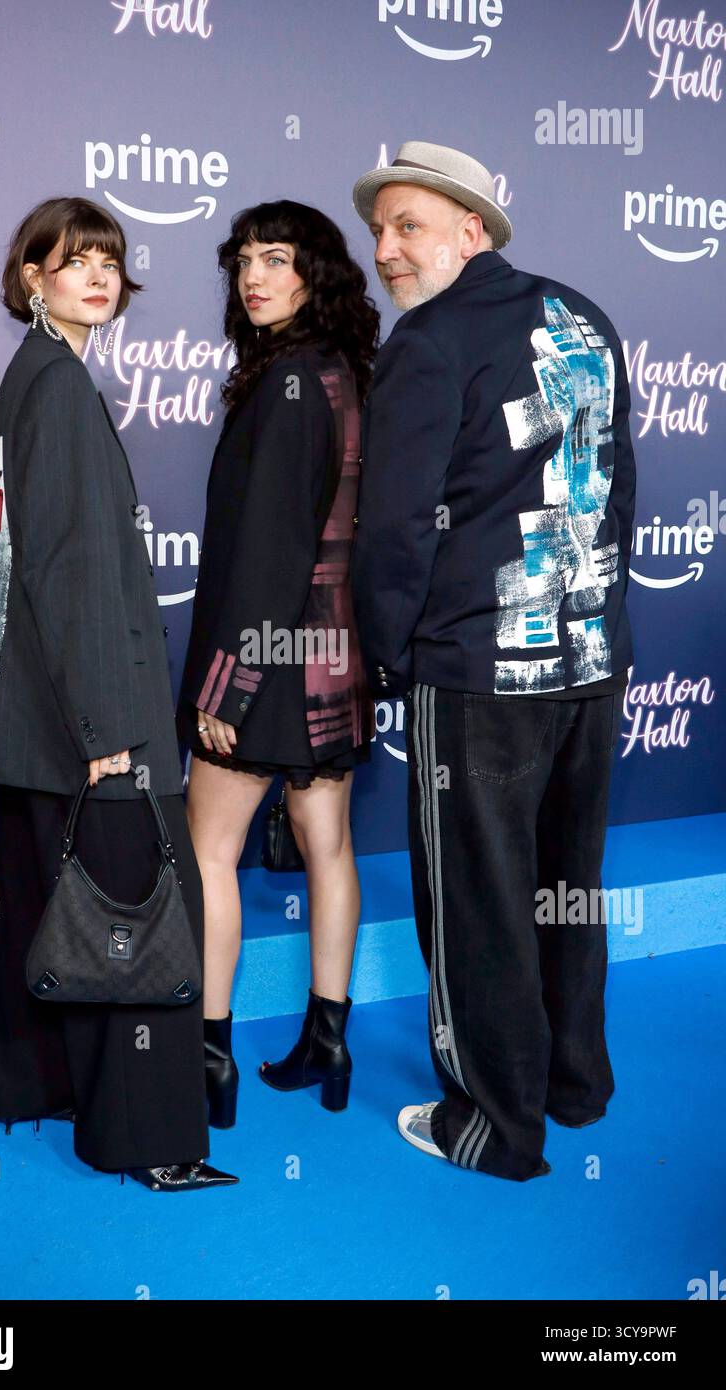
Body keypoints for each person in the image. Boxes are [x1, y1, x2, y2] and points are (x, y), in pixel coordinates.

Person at [350, 143, 636, 1182]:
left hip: (476, 670)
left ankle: (492, 1126)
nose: (385, 250)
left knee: (479, 896)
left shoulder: (428, 339)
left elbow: (393, 531)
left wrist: (387, 655)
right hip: (590, 658)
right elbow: (619, 492)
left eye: (409, 225)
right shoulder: (584, 317)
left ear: (473, 229)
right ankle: (574, 1082)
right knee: (567, 880)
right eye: (378, 230)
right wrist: (594, 619)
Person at [0, 195, 236, 1192]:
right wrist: (110, 729)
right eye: (74, 261)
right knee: (137, 915)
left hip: (36, 715)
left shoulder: (35, 376)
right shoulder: (59, 388)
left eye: (110, 260)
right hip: (92, 717)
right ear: (32, 278)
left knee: (37, 896)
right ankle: (146, 1141)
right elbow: (67, 572)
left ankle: (27, 1084)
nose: (99, 276)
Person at [176, 201, 380, 1127]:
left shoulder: (291, 381)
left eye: (276, 259)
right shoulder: (341, 372)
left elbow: (267, 552)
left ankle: (205, 1057)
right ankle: (328, 1045)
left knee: (208, 852)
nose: (253, 277)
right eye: (243, 261)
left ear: (315, 274)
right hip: (332, 659)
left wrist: (230, 682)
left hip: (269, 663)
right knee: (327, 845)